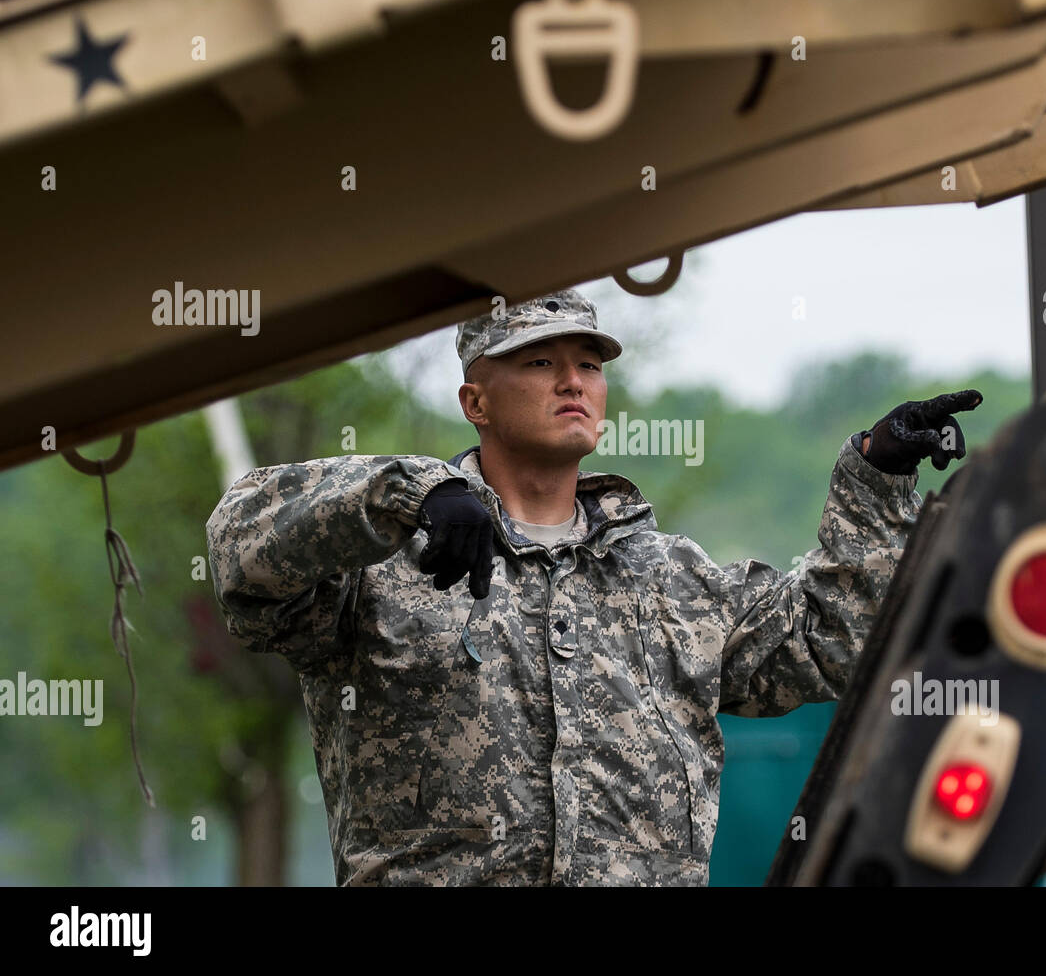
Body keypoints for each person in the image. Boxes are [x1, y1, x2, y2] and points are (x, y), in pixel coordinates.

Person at [205, 289, 981, 886]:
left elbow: (831, 635)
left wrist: (876, 475)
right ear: (475, 400)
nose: (573, 380)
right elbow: (240, 545)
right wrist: (407, 493)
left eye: (590, 363)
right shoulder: (383, 571)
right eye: (540, 362)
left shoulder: (671, 582)